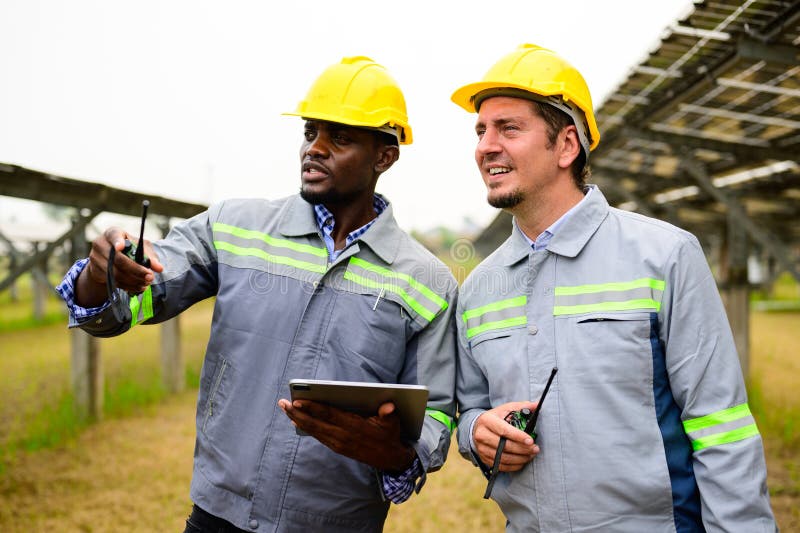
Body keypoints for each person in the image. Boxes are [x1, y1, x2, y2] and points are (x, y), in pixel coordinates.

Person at [56, 55, 458, 532]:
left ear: (384, 156)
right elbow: (133, 300)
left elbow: (436, 416)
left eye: (341, 138)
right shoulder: (232, 227)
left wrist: (393, 454)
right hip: (217, 515)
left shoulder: (427, 283)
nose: (316, 148)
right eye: (310, 132)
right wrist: (102, 273)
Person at [450, 43, 777, 532]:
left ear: (566, 145)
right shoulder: (478, 288)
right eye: (481, 131)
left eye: (509, 128)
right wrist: (477, 432)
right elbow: (469, 406)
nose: (486, 146)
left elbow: (720, 426)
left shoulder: (665, 255)